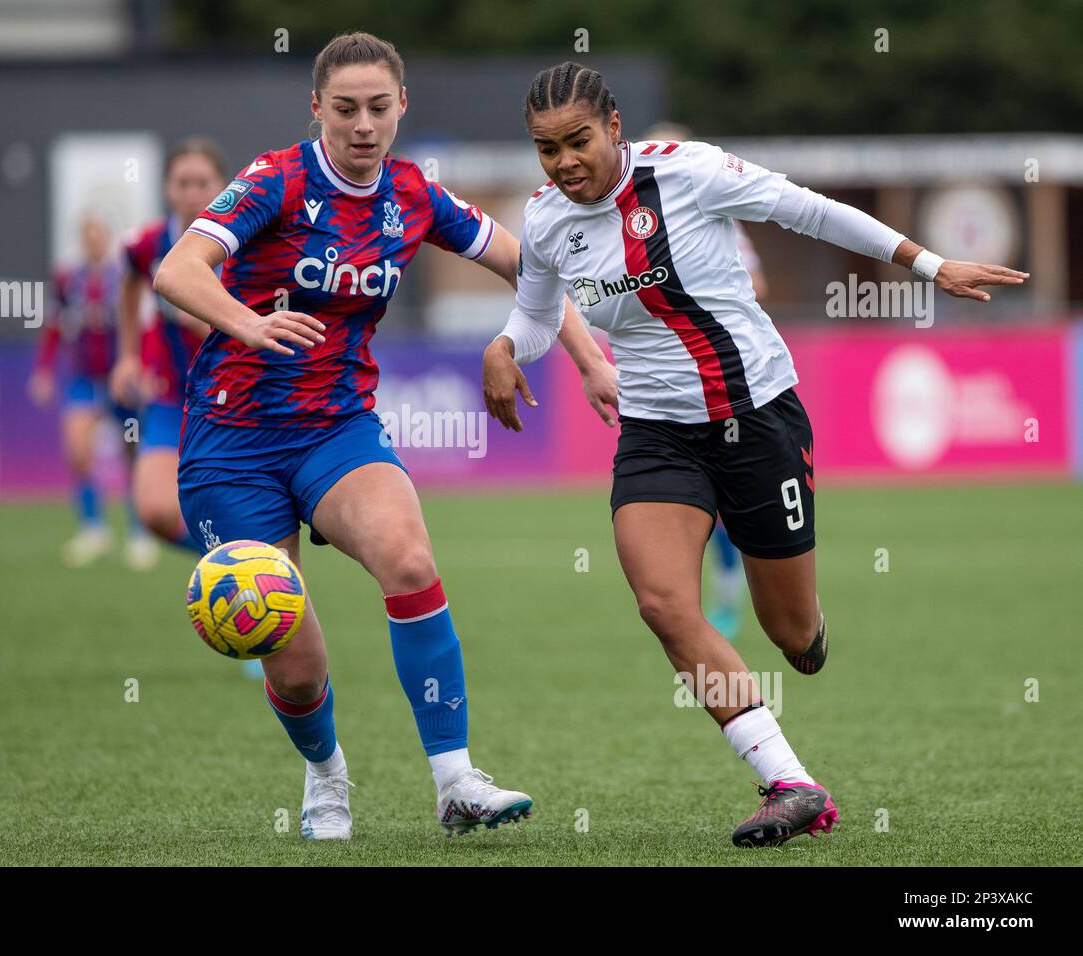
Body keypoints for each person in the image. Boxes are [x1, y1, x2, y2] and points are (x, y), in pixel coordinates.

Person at [483, 61, 1027, 847]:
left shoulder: (691, 174)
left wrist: (930, 266)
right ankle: (789, 781)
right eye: (546, 149)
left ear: (613, 129)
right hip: (655, 434)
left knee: (792, 636)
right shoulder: (544, 222)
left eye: (577, 142)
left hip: (757, 418)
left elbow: (814, 213)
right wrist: (506, 345)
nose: (565, 163)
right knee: (664, 604)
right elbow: (537, 315)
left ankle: (805, 631)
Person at [153, 33, 618, 839]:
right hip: (231, 444)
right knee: (294, 667)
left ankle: (456, 782)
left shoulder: (414, 195)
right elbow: (177, 272)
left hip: (336, 429)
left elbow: (529, 267)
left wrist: (588, 360)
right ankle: (326, 777)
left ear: (401, 107)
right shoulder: (276, 180)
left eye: (377, 108)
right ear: (317, 111)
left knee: (408, 559)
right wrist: (248, 323)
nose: (362, 125)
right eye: (345, 110)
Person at [645, 121, 767, 642]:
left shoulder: (714, 212)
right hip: (659, 389)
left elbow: (757, 283)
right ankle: (696, 603)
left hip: (720, 383)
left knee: (731, 502)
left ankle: (730, 593)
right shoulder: (627, 219)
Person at [111, 137, 228, 555]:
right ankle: (226, 561)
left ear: (223, 187)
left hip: (233, 397)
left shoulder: (245, 242)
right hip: (169, 394)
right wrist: (126, 356)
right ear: (167, 189)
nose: (193, 192)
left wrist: (202, 315)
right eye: (183, 182)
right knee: (156, 511)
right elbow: (127, 285)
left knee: (245, 511)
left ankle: (246, 565)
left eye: (203, 182)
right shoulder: (150, 244)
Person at [29, 214, 155, 569]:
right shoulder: (69, 280)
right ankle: (93, 530)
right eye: (87, 236)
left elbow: (143, 327)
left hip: (121, 378)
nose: (92, 241)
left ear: (108, 238)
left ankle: (139, 534)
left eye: (98, 234)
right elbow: (54, 326)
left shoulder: (124, 277)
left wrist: (142, 369)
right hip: (84, 378)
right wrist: (44, 370)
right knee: (78, 449)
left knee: (133, 457)